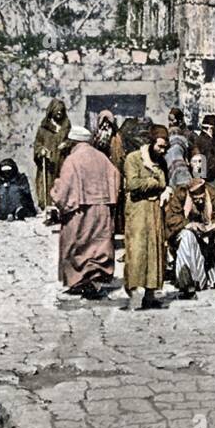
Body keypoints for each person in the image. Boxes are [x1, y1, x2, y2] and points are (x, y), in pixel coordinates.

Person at [52, 125, 122, 299]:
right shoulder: (102, 157)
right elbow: (115, 176)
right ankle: (95, 279)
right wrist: (110, 200)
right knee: (98, 244)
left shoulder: (72, 159)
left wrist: (55, 193)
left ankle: (81, 281)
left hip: (80, 210)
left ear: (74, 141)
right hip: (102, 207)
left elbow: (65, 187)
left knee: (77, 244)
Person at [123, 124, 172, 310]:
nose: (163, 150)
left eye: (165, 147)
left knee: (155, 251)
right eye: (160, 146)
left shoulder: (162, 161)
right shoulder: (134, 159)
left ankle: (150, 295)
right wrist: (155, 182)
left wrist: (165, 189)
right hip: (138, 211)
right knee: (137, 251)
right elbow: (133, 184)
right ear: (151, 143)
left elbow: (165, 182)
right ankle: (134, 294)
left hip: (155, 211)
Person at [165, 175, 215, 298]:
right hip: (185, 235)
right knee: (187, 236)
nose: (199, 202)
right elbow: (171, 220)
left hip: (206, 234)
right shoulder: (180, 195)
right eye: (196, 200)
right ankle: (188, 283)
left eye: (202, 199)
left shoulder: (211, 193)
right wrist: (189, 224)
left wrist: (214, 225)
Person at [33, 99, 71, 207]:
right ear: (51, 111)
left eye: (61, 111)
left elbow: (72, 141)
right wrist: (41, 151)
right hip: (49, 162)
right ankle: (47, 206)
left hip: (63, 161)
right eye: (57, 111)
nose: (59, 113)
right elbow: (37, 144)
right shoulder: (43, 129)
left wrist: (66, 144)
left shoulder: (67, 127)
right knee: (47, 183)